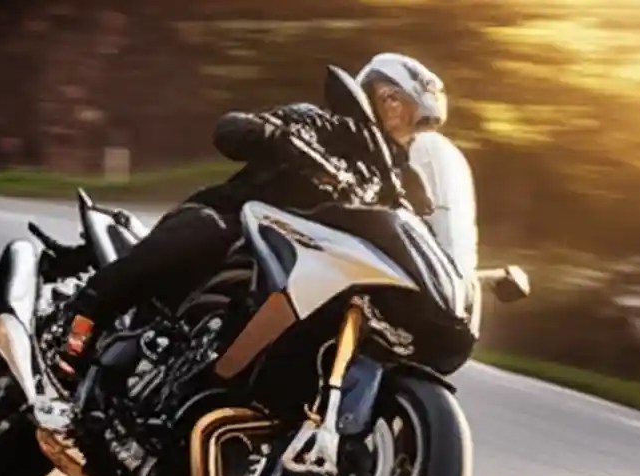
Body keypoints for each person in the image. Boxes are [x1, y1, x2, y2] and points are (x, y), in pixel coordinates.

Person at [54, 53, 466, 379]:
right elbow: (231, 130)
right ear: (371, 92)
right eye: (394, 101)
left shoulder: (394, 184)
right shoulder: (319, 122)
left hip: (308, 267)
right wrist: (268, 133)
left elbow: (410, 230)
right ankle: (81, 322)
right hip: (240, 225)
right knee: (207, 230)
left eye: (413, 116)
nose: (400, 118)